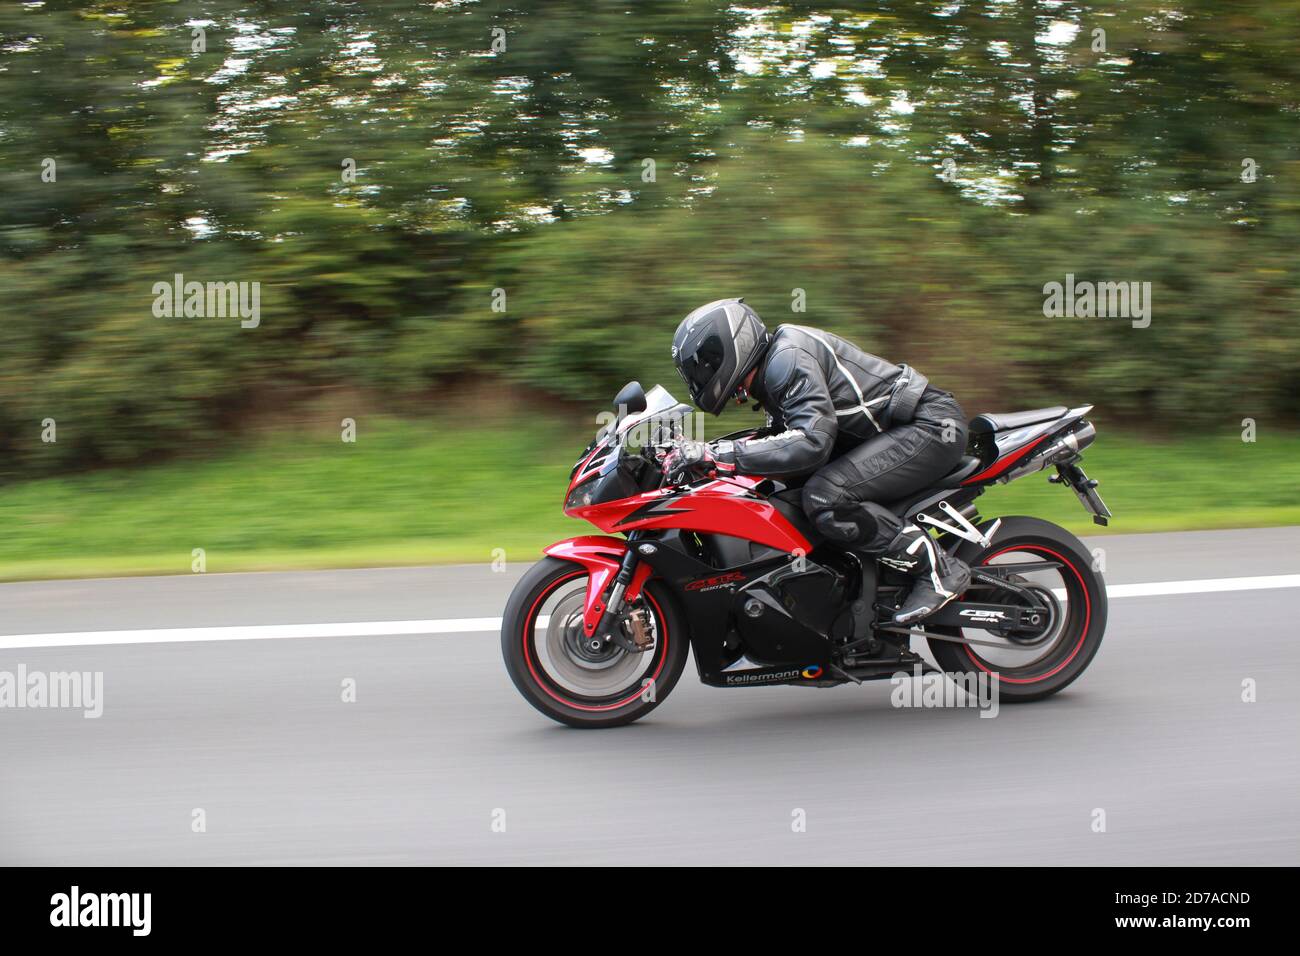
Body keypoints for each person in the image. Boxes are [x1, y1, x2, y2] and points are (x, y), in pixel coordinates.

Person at [668, 297, 971, 625]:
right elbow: (779, 444)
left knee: (825, 497)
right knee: (783, 497)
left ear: (727, 347)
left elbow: (811, 443)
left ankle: (940, 571)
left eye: (703, 364)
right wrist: (707, 453)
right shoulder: (772, 370)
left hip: (929, 427)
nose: (700, 375)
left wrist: (718, 455)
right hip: (896, 433)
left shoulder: (786, 359)